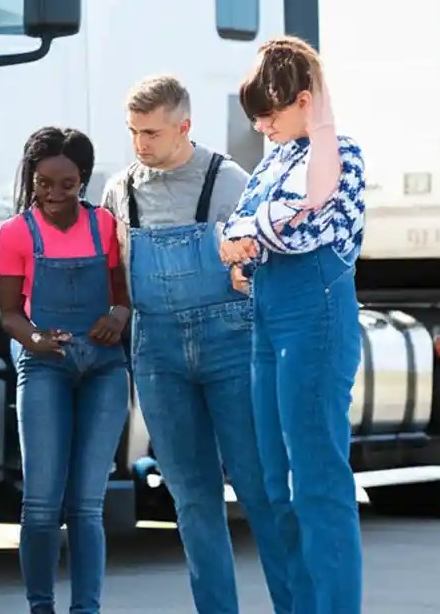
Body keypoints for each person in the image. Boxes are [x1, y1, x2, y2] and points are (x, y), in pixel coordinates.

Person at [100, 75, 291, 613]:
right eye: (134, 132)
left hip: (231, 345)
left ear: (185, 127)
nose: (141, 144)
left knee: (259, 489)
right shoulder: (120, 190)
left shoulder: (228, 180)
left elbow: (264, 263)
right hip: (156, 352)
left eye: (153, 133)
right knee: (192, 500)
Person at [220, 35, 366, 613]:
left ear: (306, 100)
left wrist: (252, 234)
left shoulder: (342, 153)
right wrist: (249, 236)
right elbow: (237, 231)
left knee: (318, 484)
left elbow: (304, 218)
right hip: (268, 322)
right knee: (271, 485)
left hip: (316, 322)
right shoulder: (275, 160)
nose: (260, 126)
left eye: (268, 112)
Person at [0, 127, 131, 614]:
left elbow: (123, 294)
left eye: (67, 184)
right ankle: (41, 607)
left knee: (87, 506)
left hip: (104, 369)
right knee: (39, 506)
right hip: (44, 364)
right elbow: (9, 312)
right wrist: (34, 339)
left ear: (84, 180)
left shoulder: (106, 227)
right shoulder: (16, 233)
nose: (54, 195)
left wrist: (117, 318)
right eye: (43, 183)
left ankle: (86, 609)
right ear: (32, 179)